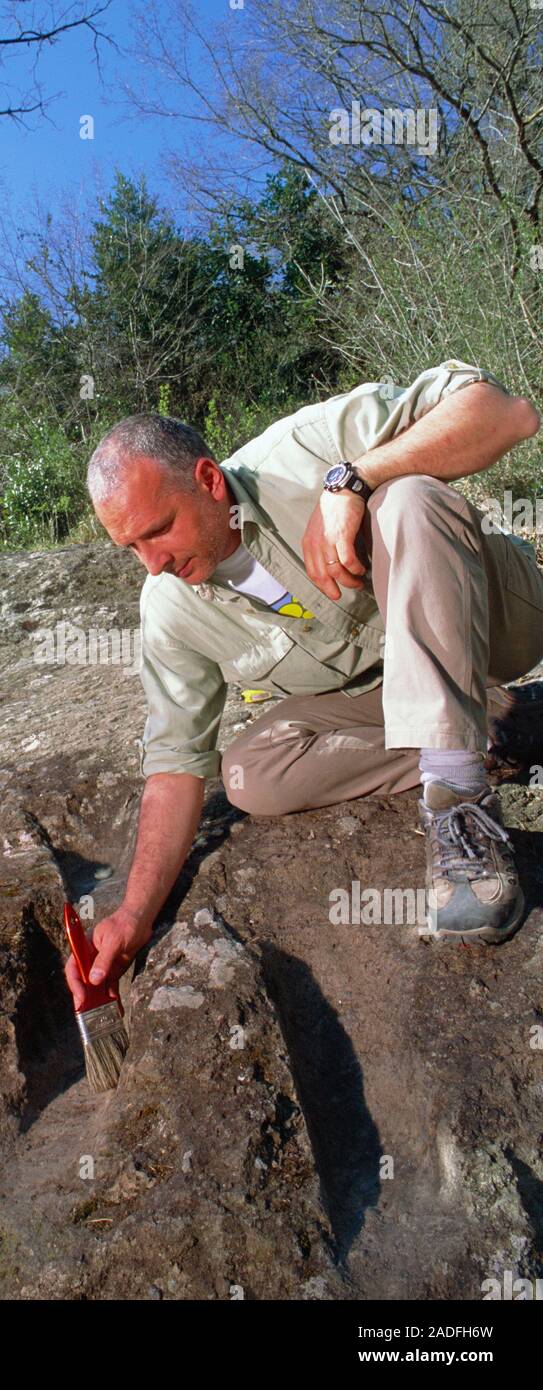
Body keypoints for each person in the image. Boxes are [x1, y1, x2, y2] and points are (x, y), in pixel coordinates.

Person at [64, 360, 543, 1010]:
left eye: (156, 531)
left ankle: (458, 801)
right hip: (395, 685)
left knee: (407, 499)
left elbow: (505, 414)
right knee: (250, 772)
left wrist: (357, 478)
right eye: (131, 548)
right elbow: (175, 765)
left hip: (500, 626)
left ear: (207, 479)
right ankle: (496, 725)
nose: (154, 564)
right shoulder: (168, 607)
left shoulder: (307, 447)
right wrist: (133, 914)